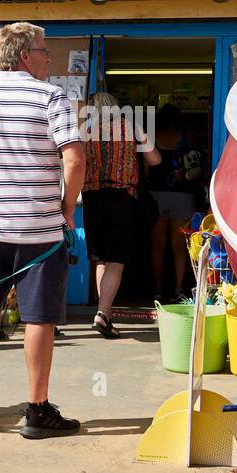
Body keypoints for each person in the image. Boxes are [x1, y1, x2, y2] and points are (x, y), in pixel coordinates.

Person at [0, 22, 87, 439]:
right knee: (39, 318)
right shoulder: (52, 97)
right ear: (25, 55)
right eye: (45, 51)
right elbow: (75, 159)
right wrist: (66, 211)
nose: (48, 59)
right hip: (38, 228)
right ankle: (36, 410)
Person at [80, 92, 160, 339]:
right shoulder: (129, 126)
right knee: (116, 260)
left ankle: (105, 313)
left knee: (100, 259)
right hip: (121, 196)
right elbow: (155, 158)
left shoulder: (85, 130)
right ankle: (102, 314)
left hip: (92, 197)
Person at [146, 104, 202, 299]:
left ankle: (157, 290)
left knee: (157, 245)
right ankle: (179, 289)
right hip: (183, 195)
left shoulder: (152, 137)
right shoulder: (188, 136)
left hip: (157, 195)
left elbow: (146, 169)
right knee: (179, 247)